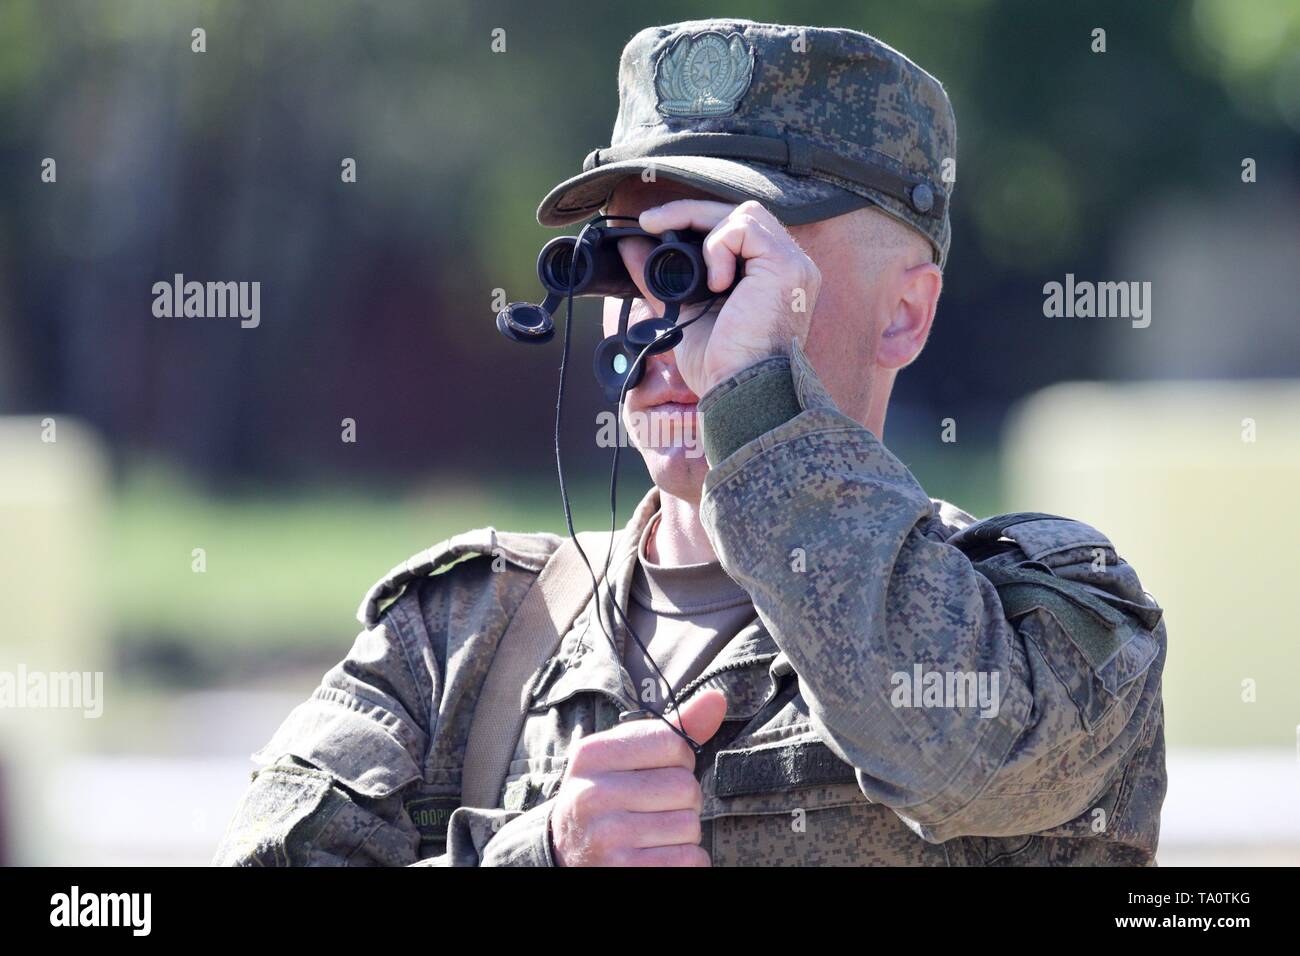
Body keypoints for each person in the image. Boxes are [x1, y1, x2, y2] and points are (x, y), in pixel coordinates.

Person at [214, 19, 1166, 867]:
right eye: (642, 257)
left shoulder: (1050, 622)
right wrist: (539, 855)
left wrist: (761, 400)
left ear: (904, 316)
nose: (661, 324)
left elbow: (960, 764)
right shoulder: (459, 642)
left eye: (729, 262)